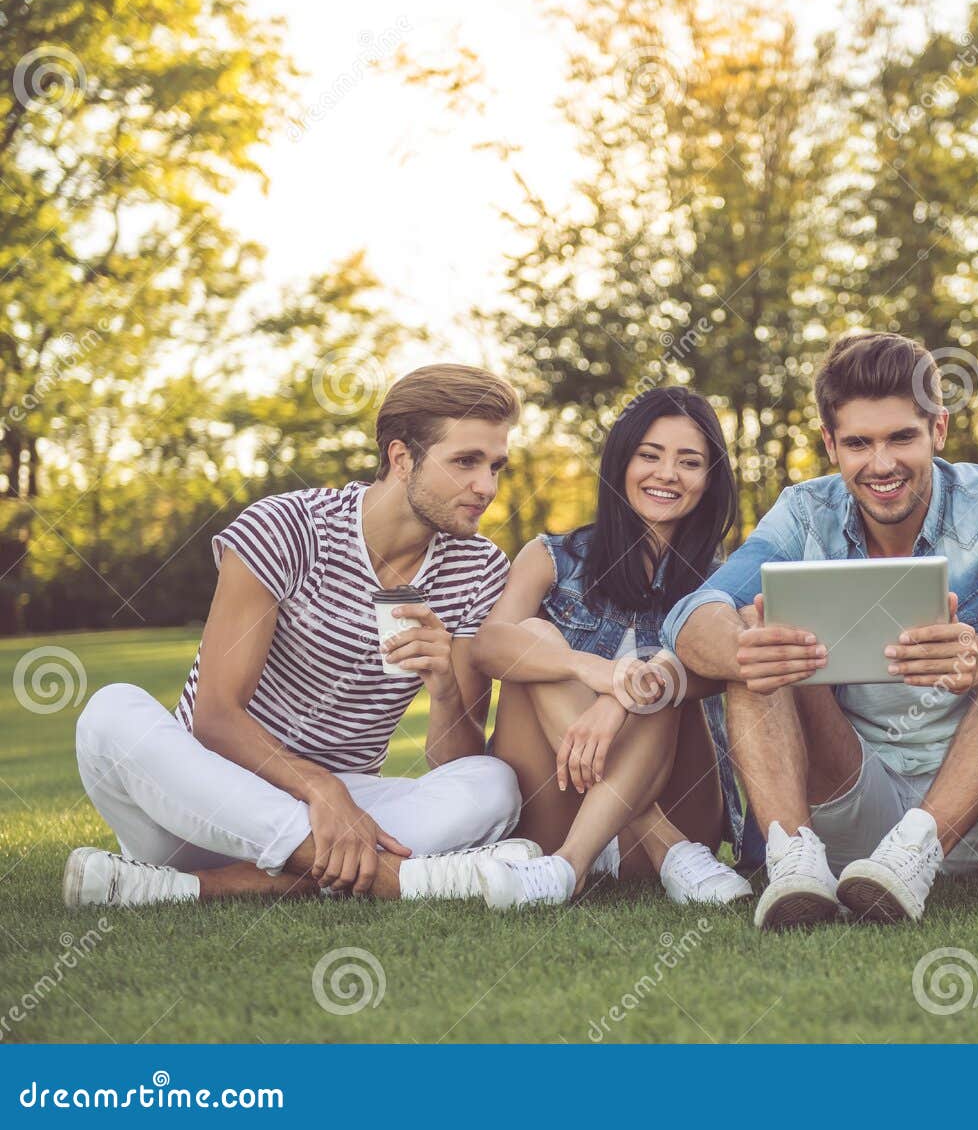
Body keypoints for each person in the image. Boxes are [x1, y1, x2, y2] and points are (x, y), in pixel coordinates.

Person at [663, 331, 978, 929]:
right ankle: (794, 862)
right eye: (858, 443)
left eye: (901, 438)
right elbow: (695, 613)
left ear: (937, 430)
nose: (881, 465)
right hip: (853, 806)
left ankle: (918, 850)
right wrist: (741, 649)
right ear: (831, 444)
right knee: (753, 634)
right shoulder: (806, 512)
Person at [66, 364, 534, 907]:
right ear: (402, 458)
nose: (487, 487)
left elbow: (453, 764)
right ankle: (401, 881)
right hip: (206, 800)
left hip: (347, 815)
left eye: (496, 465)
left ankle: (188, 889)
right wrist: (320, 790)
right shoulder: (289, 527)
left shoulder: (478, 570)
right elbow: (215, 716)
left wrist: (445, 687)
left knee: (493, 783)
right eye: (466, 462)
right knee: (110, 714)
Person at [469, 386, 753, 908]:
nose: (667, 474)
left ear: (710, 479)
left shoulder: (724, 580)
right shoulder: (552, 557)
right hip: (556, 802)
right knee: (535, 637)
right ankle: (639, 851)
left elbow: (721, 671)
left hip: (675, 801)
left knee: (662, 673)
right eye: (650, 455)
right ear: (622, 462)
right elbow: (487, 648)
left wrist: (621, 694)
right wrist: (591, 670)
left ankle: (570, 869)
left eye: (688, 462)